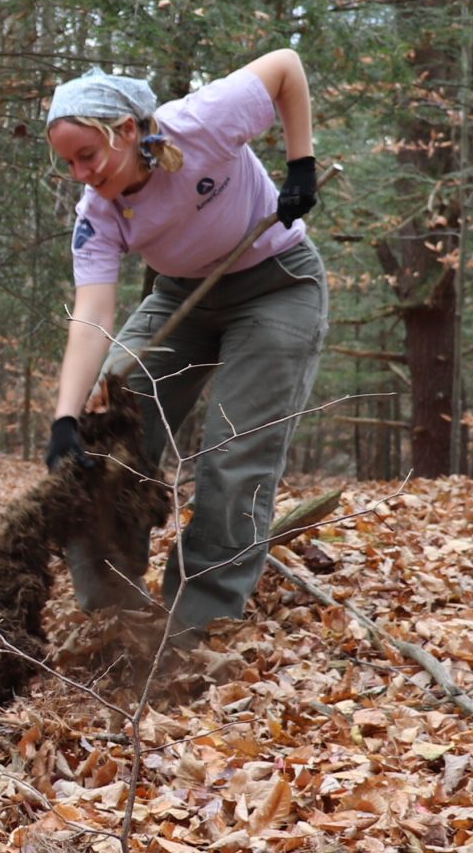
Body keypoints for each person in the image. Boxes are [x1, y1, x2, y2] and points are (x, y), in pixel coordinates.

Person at [42, 53, 326, 636]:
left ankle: (197, 621)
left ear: (125, 131)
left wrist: (301, 165)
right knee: (104, 430)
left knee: (232, 456)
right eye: (68, 162)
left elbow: (285, 68)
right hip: (182, 298)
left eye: (87, 156)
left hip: (277, 284)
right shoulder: (97, 212)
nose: (80, 173)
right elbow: (92, 313)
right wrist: (65, 418)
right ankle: (110, 609)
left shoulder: (201, 122)